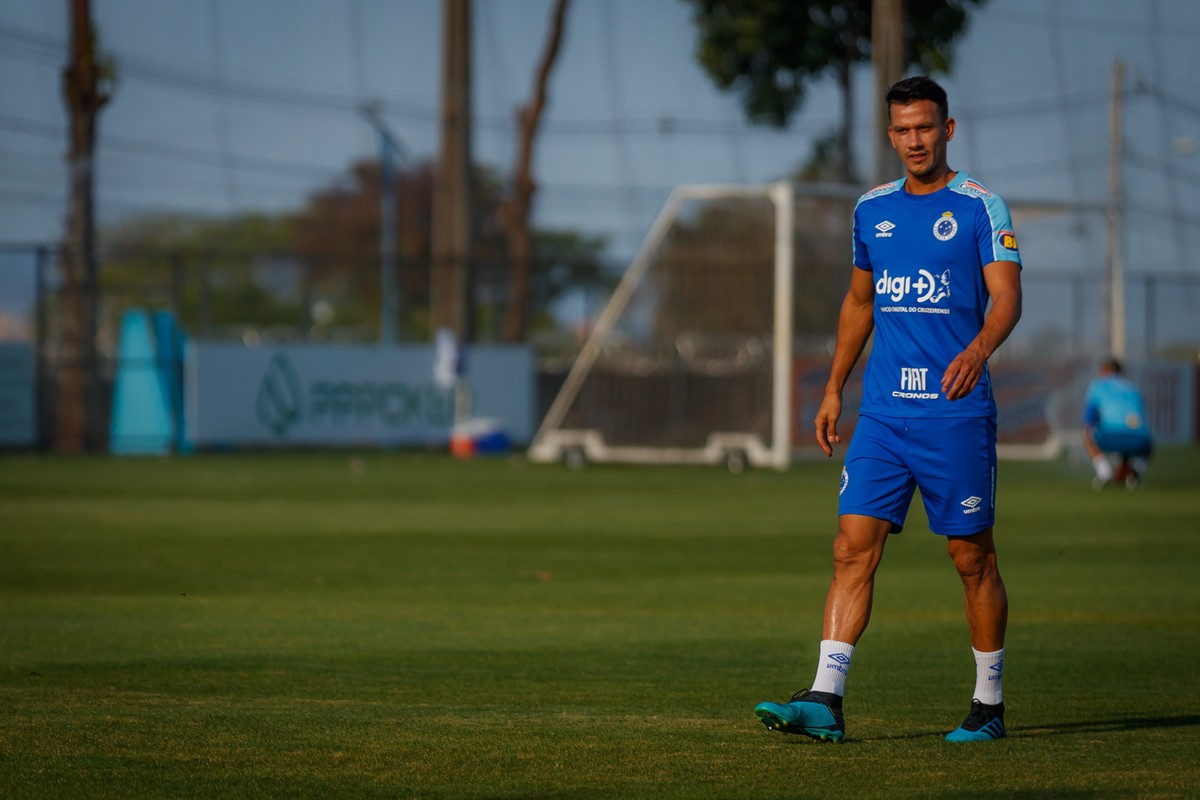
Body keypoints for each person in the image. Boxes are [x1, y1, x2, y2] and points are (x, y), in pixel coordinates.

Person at [754, 76, 1023, 743]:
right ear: (890, 134)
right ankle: (825, 698)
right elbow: (858, 303)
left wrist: (980, 348)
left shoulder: (981, 207)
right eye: (902, 130)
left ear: (948, 129)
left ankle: (988, 706)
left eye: (925, 127)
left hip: (955, 415)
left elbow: (1008, 296)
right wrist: (832, 386)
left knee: (972, 558)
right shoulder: (871, 210)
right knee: (852, 549)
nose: (914, 140)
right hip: (882, 416)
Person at [1083, 358, 1153, 489]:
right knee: (1146, 443)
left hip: (1112, 436)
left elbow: (1089, 418)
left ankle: (1104, 472)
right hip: (1140, 440)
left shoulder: (1098, 385)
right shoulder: (1133, 388)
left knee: (1087, 433)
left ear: (1104, 371)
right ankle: (1134, 472)